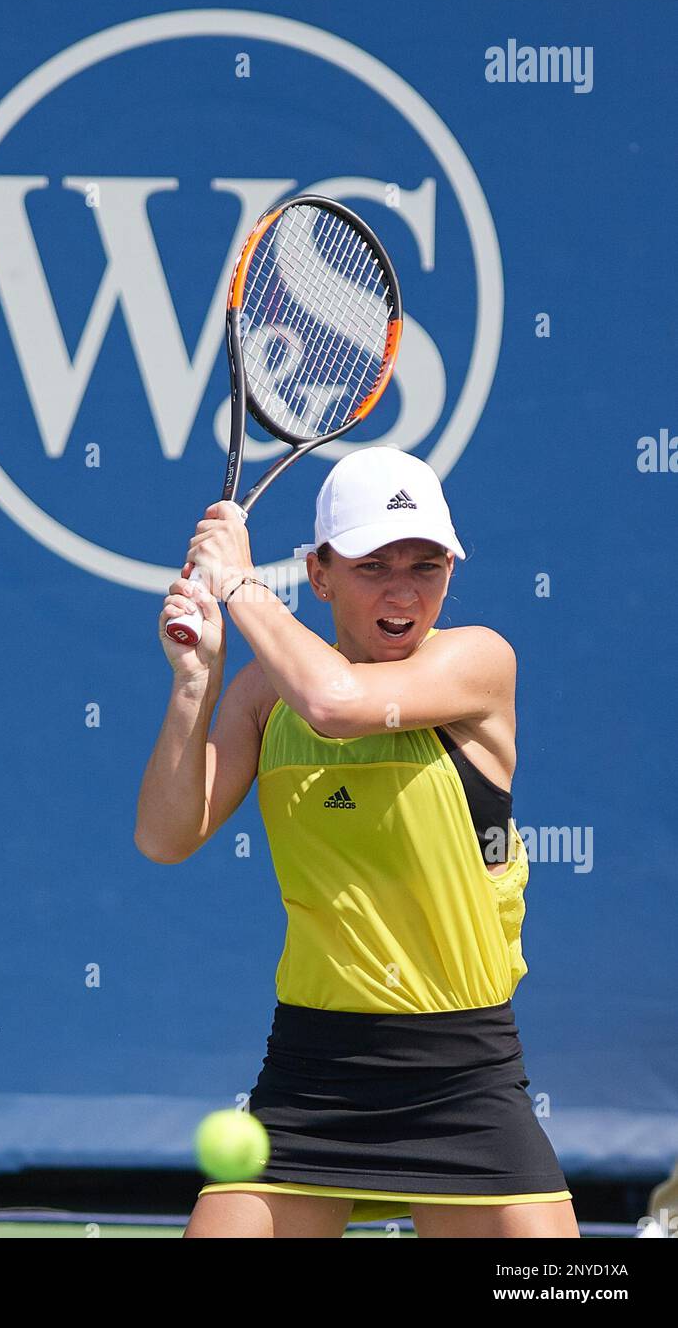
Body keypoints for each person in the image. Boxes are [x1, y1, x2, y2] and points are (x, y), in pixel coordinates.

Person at [134, 446, 579, 1239]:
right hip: (314, 1070)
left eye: (426, 564)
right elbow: (166, 837)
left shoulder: (476, 661)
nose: (404, 590)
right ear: (320, 575)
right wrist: (194, 686)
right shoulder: (265, 693)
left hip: (464, 1074)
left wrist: (239, 583)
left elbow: (335, 702)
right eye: (374, 565)